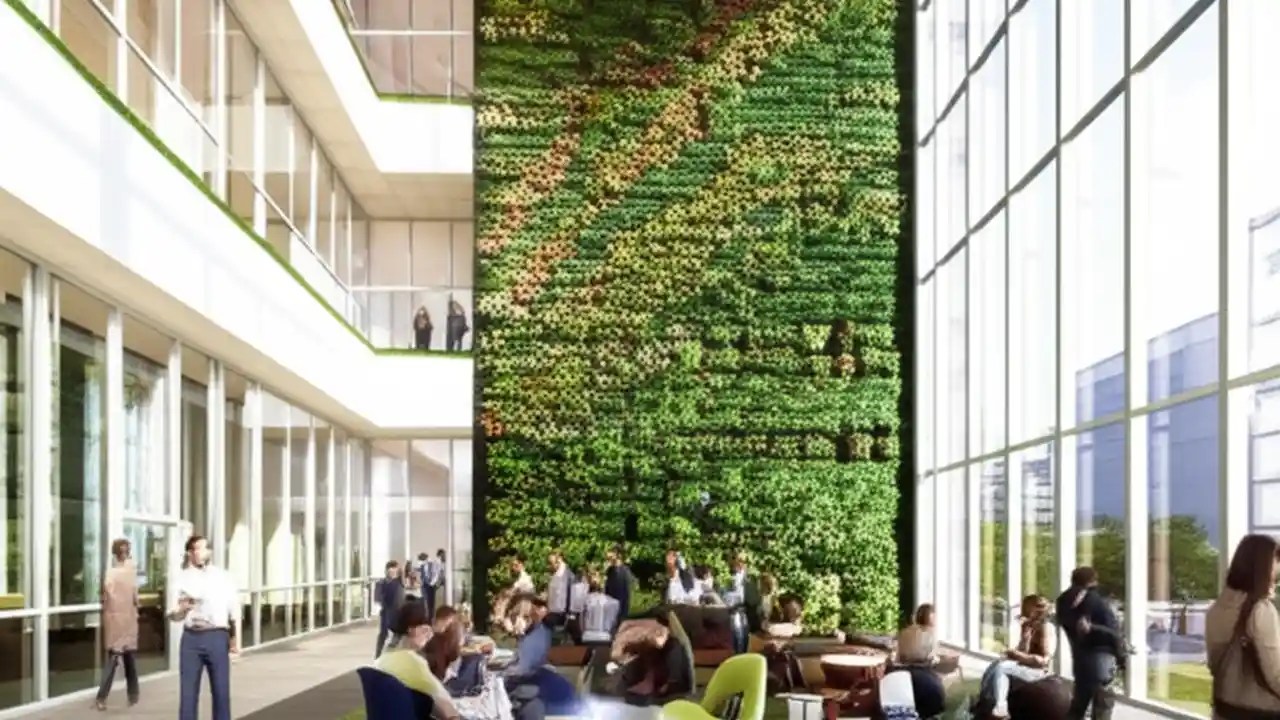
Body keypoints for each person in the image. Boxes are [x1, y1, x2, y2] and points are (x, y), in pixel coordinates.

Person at [1206, 533, 1280, 717]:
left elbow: (1214, 664)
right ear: (1263, 565)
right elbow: (1275, 675)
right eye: (1276, 561)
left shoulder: (1217, 607)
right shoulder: (1260, 609)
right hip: (1259, 710)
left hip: (1225, 708)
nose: (1278, 569)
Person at [170, 535, 238, 720]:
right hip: (191, 638)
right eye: (198, 549)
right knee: (188, 694)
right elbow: (172, 614)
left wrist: (234, 641)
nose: (203, 552)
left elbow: (234, 610)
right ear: (190, 553)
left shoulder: (222, 576)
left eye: (205, 548)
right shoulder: (181, 578)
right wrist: (182, 610)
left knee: (221, 691)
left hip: (216, 635)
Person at [375, 601, 463, 720]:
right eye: (426, 629)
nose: (430, 635)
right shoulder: (413, 663)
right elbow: (448, 710)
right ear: (413, 630)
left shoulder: (382, 660)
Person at [1055, 567, 1121, 720]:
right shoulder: (1092, 598)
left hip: (1080, 654)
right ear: (1093, 581)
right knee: (1103, 701)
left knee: (1079, 703)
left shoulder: (1063, 600)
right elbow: (1104, 628)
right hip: (1101, 654)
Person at [975, 595, 1055, 719]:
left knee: (1002, 667)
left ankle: (1001, 707)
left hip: (1039, 672)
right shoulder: (1030, 627)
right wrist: (1023, 641)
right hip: (1028, 667)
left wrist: (1017, 655)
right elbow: (1024, 651)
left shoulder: (1045, 629)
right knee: (996, 664)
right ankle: (985, 700)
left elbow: (1043, 661)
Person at [95, 538, 140, 711]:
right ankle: (133, 694)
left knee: (115, 659)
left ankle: (102, 698)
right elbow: (136, 598)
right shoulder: (131, 572)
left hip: (115, 619)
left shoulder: (110, 573)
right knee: (129, 658)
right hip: (127, 619)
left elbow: (104, 597)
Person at [376, 560, 407, 657]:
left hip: (398, 613)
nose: (392, 573)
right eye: (390, 571)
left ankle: (391, 653)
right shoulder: (381, 583)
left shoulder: (400, 582)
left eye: (395, 571)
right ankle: (378, 655)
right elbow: (377, 598)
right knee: (383, 635)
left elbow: (403, 578)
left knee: (398, 634)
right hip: (387, 612)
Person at [604, 545, 632, 628]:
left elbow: (625, 595)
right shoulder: (610, 571)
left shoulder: (624, 572)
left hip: (620, 613)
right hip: (610, 611)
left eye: (611, 553)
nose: (608, 555)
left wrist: (622, 616)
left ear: (617, 554)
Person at [545, 552, 574, 627]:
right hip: (554, 612)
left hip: (560, 614)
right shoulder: (556, 575)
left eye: (550, 563)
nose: (549, 566)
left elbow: (570, 596)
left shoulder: (566, 575)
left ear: (558, 561)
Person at [425, 549, 446, 620]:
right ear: (440, 555)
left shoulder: (438, 562)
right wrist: (437, 584)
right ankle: (431, 618)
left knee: (431, 603)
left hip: (432, 584)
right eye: (444, 555)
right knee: (431, 603)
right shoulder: (437, 562)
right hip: (432, 585)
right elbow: (437, 575)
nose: (445, 557)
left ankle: (431, 618)